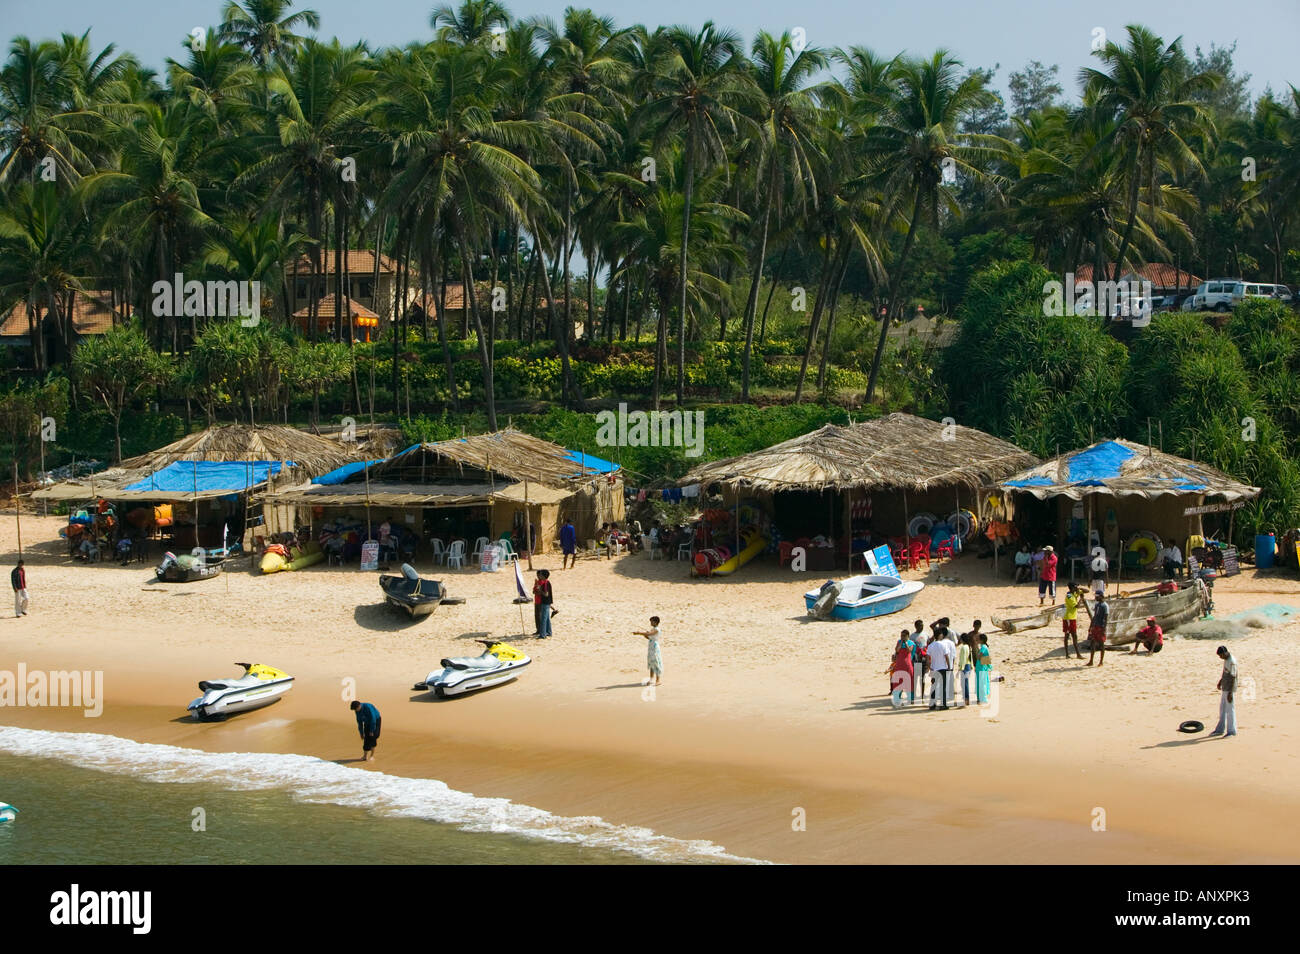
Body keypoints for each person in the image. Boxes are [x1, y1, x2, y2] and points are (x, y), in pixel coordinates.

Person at [1210, 646, 1238, 737]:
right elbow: (1225, 672)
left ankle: (1232, 731)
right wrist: (1220, 682)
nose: (1220, 657)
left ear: (1225, 653)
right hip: (1225, 687)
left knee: (1230, 710)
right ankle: (1220, 729)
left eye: (1220, 655)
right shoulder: (1226, 660)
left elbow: (1233, 677)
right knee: (1222, 708)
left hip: (1229, 689)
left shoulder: (1232, 661)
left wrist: (1230, 692)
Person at [927, 628, 952, 710]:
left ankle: (932, 704)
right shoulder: (943, 645)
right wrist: (949, 667)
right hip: (942, 668)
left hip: (934, 668)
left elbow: (928, 658)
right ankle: (943, 704)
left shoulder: (930, 646)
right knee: (943, 687)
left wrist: (929, 666)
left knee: (933, 686)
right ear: (939, 635)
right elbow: (946, 657)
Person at [634, 616, 663, 686]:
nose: (651, 623)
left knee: (656, 662)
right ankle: (651, 679)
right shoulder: (653, 629)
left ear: (655, 622)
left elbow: (650, 634)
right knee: (651, 663)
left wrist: (640, 633)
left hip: (655, 647)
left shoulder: (657, 629)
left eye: (652, 621)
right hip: (651, 646)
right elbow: (648, 637)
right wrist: (644, 634)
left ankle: (658, 680)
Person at [890, 629, 916, 706]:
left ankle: (911, 698)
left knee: (910, 681)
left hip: (907, 664)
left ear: (908, 636)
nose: (902, 637)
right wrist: (901, 643)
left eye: (904, 636)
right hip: (899, 664)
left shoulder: (911, 643)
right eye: (901, 635)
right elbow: (897, 650)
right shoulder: (899, 642)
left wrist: (905, 643)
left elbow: (909, 651)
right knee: (898, 682)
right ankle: (897, 698)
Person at [1062, 584, 1084, 659]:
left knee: (1074, 636)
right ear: (1072, 588)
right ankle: (1067, 654)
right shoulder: (1069, 596)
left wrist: (1079, 588)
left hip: (1073, 618)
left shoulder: (1074, 593)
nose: (1076, 588)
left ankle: (1077, 654)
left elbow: (1086, 590)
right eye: (1075, 587)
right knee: (1068, 635)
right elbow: (1077, 606)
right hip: (1068, 618)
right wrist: (1081, 598)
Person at [1086, 593, 1108, 666]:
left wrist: (1104, 628)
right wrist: (1091, 626)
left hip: (1100, 626)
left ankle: (1101, 661)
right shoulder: (1097, 605)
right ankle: (1091, 661)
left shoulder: (1105, 606)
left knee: (1101, 644)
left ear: (1101, 596)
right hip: (1095, 626)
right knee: (1092, 643)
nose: (1095, 597)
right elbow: (1094, 616)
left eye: (1097, 596)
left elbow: (1105, 618)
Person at [533, 569, 554, 638]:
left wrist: (540, 589)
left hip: (545, 602)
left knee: (543, 619)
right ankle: (549, 632)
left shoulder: (545, 583)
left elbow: (546, 594)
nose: (539, 576)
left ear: (544, 576)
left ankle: (543, 634)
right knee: (547, 618)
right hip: (547, 602)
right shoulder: (546, 582)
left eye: (541, 574)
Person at [911, 619, 928, 702]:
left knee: (923, 678)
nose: (921, 627)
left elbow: (928, 644)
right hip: (916, 659)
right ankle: (914, 695)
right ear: (916, 626)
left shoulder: (925, 634)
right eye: (920, 626)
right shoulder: (912, 636)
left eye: (922, 625)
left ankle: (922, 695)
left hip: (924, 659)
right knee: (915, 678)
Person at [956, 633, 974, 707]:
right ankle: (966, 699)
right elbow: (970, 657)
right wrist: (972, 666)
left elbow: (963, 659)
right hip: (968, 666)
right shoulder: (968, 646)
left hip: (965, 666)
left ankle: (966, 699)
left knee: (964, 684)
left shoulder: (964, 647)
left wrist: (960, 669)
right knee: (965, 683)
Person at [975, 634, 992, 704]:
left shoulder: (984, 647)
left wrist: (976, 648)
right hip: (981, 667)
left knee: (982, 683)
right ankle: (980, 698)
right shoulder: (983, 647)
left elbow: (979, 657)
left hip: (981, 668)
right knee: (980, 683)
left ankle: (982, 698)